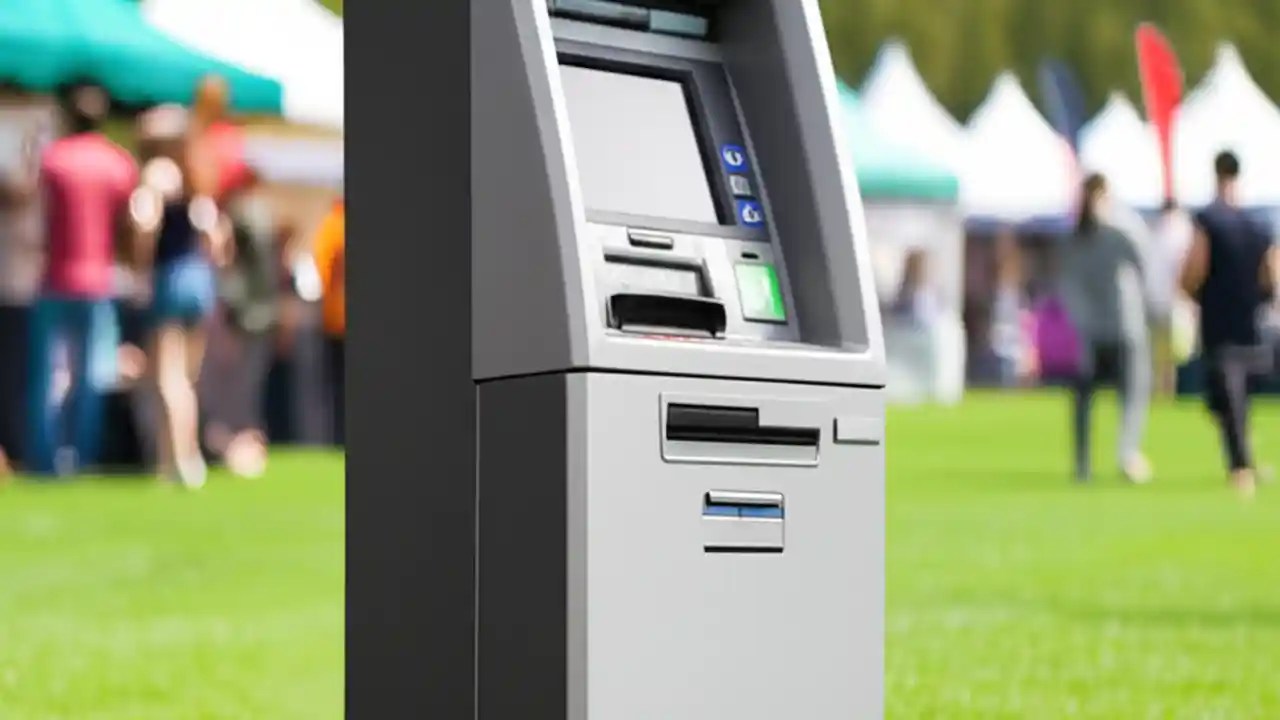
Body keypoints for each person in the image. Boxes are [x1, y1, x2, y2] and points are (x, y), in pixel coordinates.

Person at [27, 86, 138, 477]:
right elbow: (128, 222)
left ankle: (45, 459)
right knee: (90, 375)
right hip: (99, 280)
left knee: (45, 374)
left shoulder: (54, 159)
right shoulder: (119, 163)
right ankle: (83, 455)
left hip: (55, 276)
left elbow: (34, 205)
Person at [132, 77, 234, 488]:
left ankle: (174, 463)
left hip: (171, 273)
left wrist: (141, 262)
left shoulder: (159, 171)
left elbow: (144, 217)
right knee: (186, 379)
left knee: (166, 376)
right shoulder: (197, 176)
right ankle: (185, 458)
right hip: (199, 276)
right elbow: (215, 235)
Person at [1181, 151, 1279, 498]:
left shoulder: (1208, 220)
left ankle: (1240, 466)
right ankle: (1245, 460)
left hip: (1219, 321)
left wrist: (1192, 293)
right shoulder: (1258, 224)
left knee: (1225, 395)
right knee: (1236, 398)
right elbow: (1271, 273)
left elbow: (1195, 268)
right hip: (1251, 322)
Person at [1059, 174, 1153, 484]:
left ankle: (1123, 454)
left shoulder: (1110, 233)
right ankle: (1089, 461)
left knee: (1131, 393)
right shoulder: (1087, 237)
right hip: (1103, 330)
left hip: (1119, 327)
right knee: (1091, 398)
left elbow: (1143, 265)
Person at [1148, 200, 1196, 396]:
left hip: (1162, 299)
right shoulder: (1181, 230)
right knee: (1169, 354)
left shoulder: (1158, 231)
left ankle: (1165, 389)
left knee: (1163, 354)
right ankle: (1167, 389)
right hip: (1172, 299)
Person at [313, 195, 345, 447]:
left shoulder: (332, 225)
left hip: (336, 320)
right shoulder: (334, 224)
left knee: (338, 387)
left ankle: (339, 436)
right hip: (337, 320)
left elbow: (322, 269)